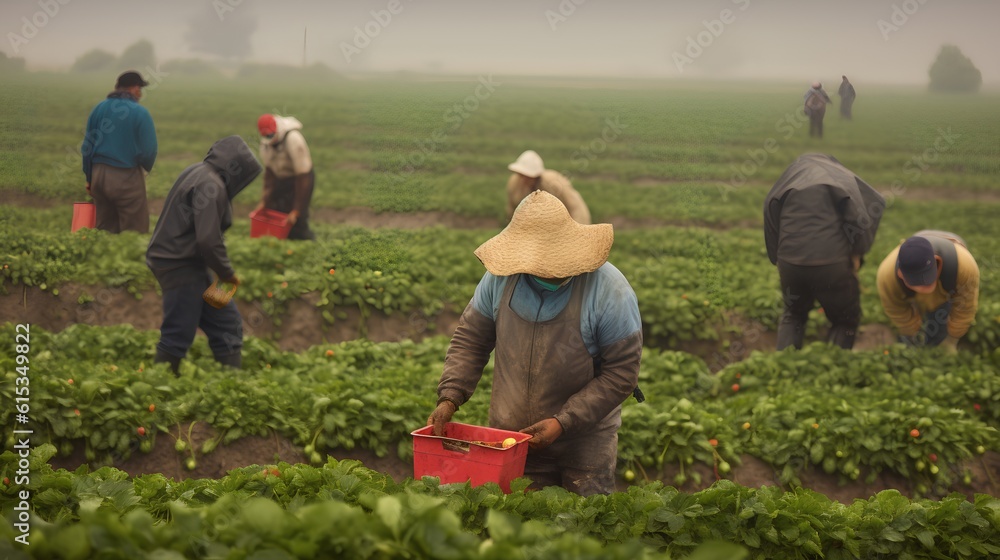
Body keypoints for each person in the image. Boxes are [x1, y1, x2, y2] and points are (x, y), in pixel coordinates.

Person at [427, 190, 642, 496]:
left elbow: (621, 373)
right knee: (518, 533)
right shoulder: (499, 280)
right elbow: (471, 340)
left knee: (585, 531)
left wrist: (563, 422)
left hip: (584, 446)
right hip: (510, 441)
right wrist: (449, 397)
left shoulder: (610, 291)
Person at [146, 136, 262, 374]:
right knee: (178, 332)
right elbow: (208, 240)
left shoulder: (197, 171)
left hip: (191, 265)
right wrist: (227, 274)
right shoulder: (214, 186)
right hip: (179, 265)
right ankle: (155, 391)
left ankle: (231, 387)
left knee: (227, 324)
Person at [764, 153, 885, 350]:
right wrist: (858, 253)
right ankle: (832, 368)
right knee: (845, 320)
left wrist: (776, 257)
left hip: (790, 263)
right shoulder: (838, 178)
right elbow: (859, 218)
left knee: (793, 314)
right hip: (830, 263)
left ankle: (785, 365)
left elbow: (769, 211)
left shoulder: (789, 177)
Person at [876, 231, 979, 354]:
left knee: (941, 316)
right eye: (916, 282)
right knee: (912, 325)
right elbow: (897, 310)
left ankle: (935, 343)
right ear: (901, 275)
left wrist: (952, 338)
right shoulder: (887, 277)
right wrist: (911, 334)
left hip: (950, 268)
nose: (922, 287)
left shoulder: (964, 267)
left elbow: (965, 307)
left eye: (927, 278)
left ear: (937, 261)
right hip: (915, 250)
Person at [81, 70, 158, 233]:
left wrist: (89, 177)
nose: (140, 94)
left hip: (98, 175)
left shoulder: (98, 109)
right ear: (135, 88)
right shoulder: (140, 112)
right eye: (140, 89)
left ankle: (101, 257)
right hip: (125, 176)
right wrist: (145, 168)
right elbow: (149, 150)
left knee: (104, 229)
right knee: (134, 230)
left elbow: (87, 146)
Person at [255, 114, 316, 240]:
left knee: (296, 220)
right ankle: (280, 242)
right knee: (275, 211)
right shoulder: (265, 144)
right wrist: (265, 200)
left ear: (276, 130)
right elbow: (269, 174)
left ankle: (305, 243)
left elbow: (303, 176)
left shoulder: (293, 139)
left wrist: (297, 209)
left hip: (299, 181)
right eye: (266, 136)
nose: (269, 138)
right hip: (280, 179)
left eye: (271, 135)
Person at [505, 150, 591, 224]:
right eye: (522, 175)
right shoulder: (514, 184)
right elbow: (513, 212)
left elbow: (575, 207)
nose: (524, 179)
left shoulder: (553, 182)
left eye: (528, 176)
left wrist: (578, 232)